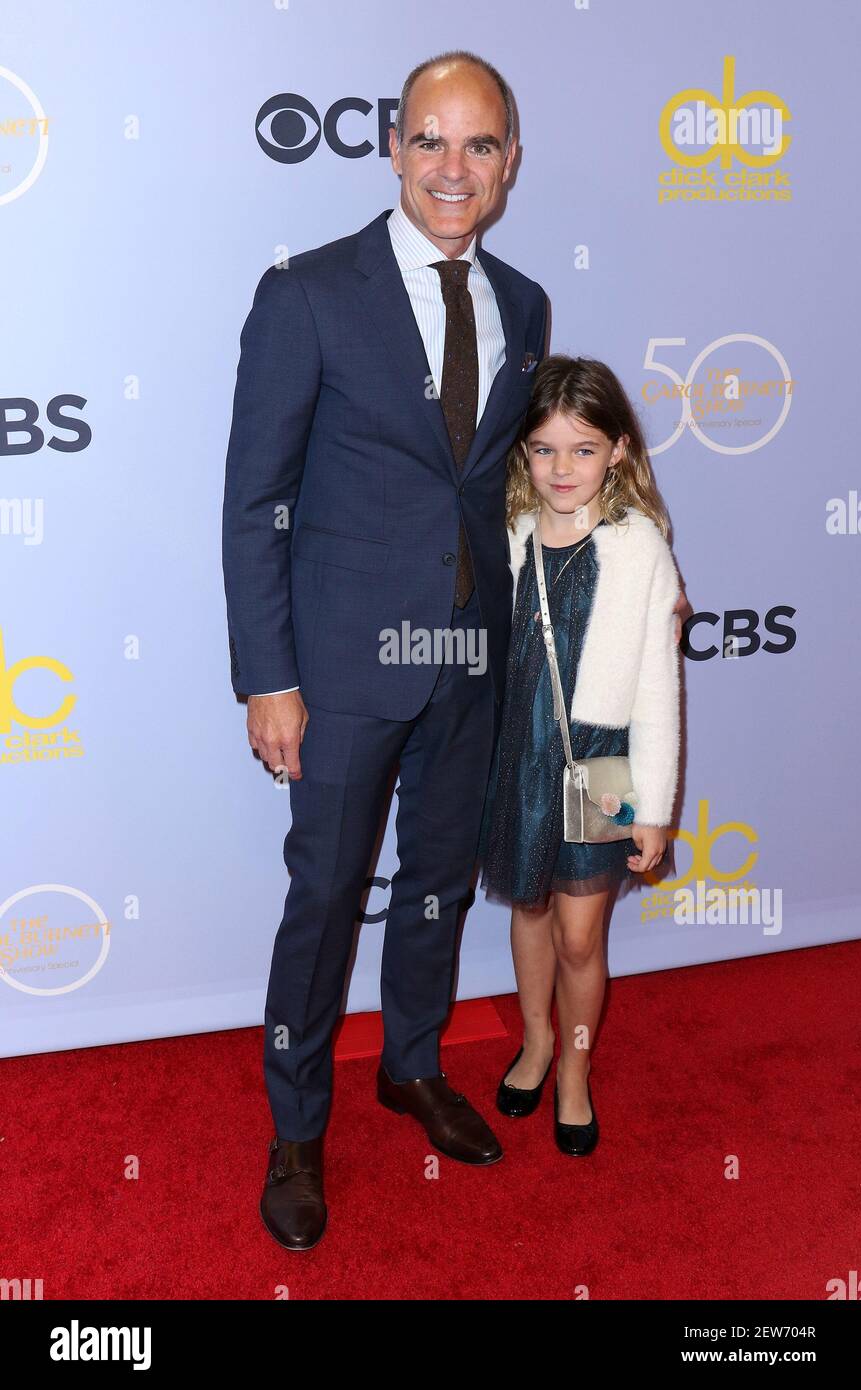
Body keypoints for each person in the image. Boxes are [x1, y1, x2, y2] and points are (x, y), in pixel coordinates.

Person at [222, 51, 549, 1252]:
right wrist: (270, 674)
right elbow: (255, 499)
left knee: (435, 885)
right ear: (390, 147)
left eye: (478, 147)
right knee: (323, 900)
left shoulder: (524, 304)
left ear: (509, 164)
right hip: (345, 669)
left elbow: (506, 488)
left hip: (472, 658)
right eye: (429, 142)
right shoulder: (307, 293)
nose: (451, 170)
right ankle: (295, 1127)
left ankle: (409, 1065)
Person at [477, 354, 682, 1156]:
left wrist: (655, 809)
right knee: (528, 910)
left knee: (579, 937)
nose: (564, 468)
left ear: (620, 451)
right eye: (545, 449)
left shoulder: (641, 549)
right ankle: (534, 1044)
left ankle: (575, 1072)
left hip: (600, 766)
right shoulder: (507, 532)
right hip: (515, 756)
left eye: (584, 448)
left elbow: (659, 691)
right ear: (522, 453)